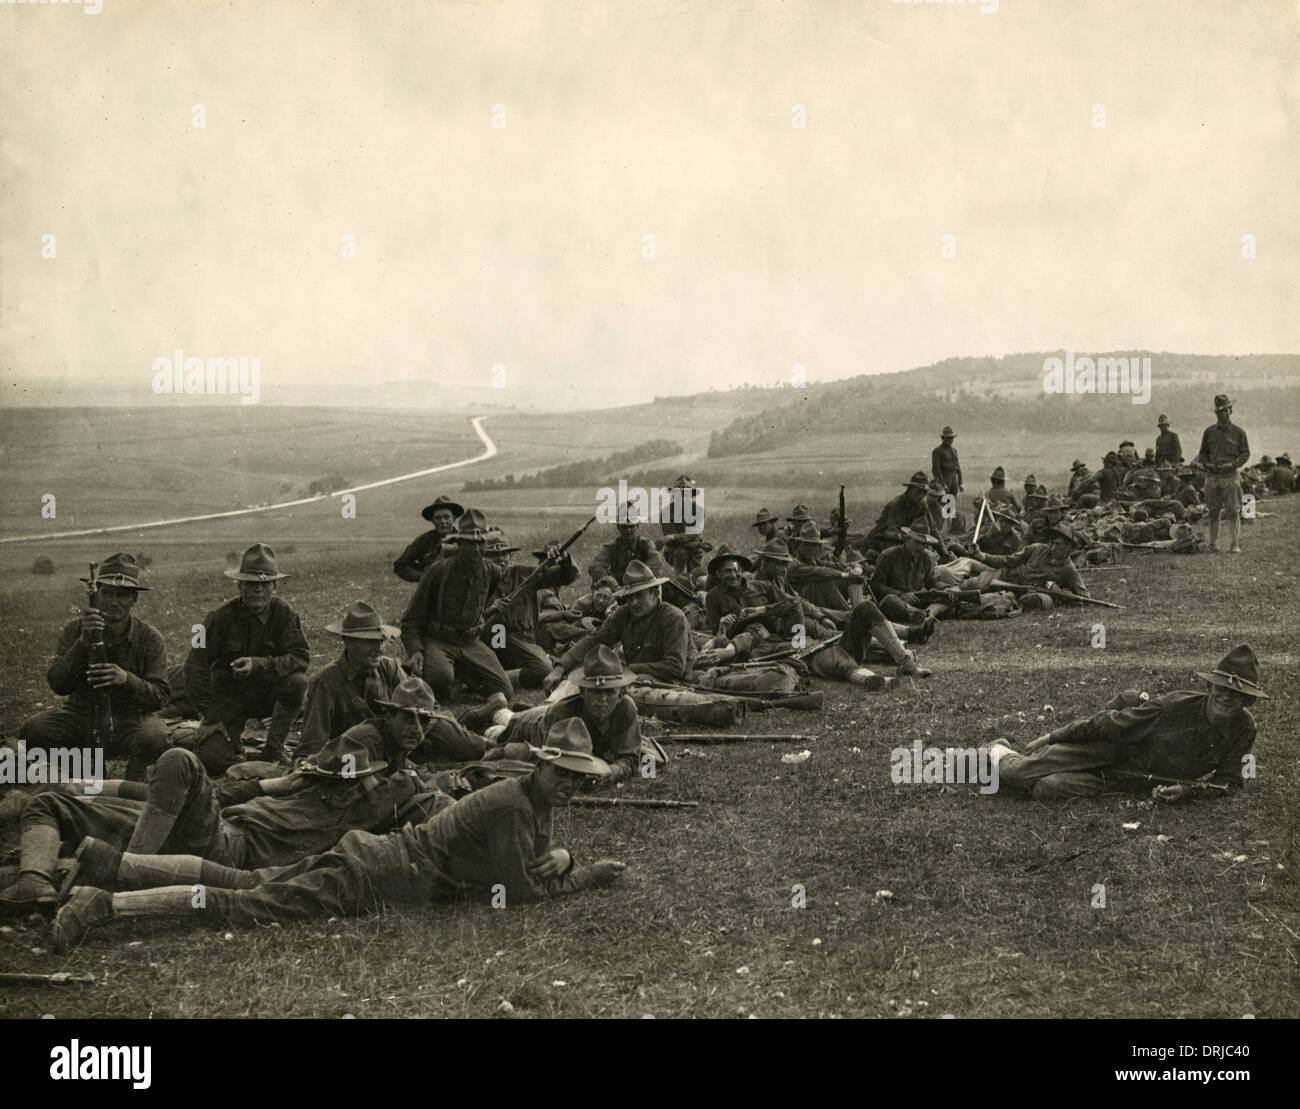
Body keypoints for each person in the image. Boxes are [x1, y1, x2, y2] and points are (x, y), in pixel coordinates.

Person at [53, 719, 625, 952]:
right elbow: (521, 892)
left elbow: (528, 859)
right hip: (378, 876)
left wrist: (564, 851)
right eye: (563, 775)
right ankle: (105, 904)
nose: (570, 787)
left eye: (578, 779)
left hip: (373, 858)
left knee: (247, 881)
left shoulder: (530, 797)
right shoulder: (513, 806)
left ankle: (114, 865)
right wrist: (585, 876)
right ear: (541, 766)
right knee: (244, 905)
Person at [0, 684, 449, 911]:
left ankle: (122, 873)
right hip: (215, 825)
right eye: (406, 717)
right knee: (49, 803)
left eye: (423, 721)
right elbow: (344, 755)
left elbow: (427, 813)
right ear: (385, 720)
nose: (416, 727)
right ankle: (33, 883)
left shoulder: (394, 793)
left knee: (177, 760)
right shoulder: (343, 758)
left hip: (230, 847)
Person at [984, 644, 1265, 801]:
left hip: (1128, 780)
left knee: (1048, 788)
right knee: (1015, 775)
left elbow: (1229, 782)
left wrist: (1186, 791)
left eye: (1237, 694)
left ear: (1247, 700)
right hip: (1103, 749)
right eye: (1221, 689)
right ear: (1210, 687)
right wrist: (1052, 737)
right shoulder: (1171, 706)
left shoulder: (1244, 728)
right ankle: (998, 750)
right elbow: (1107, 723)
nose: (1226, 698)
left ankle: (1036, 768)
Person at [16, 553, 169, 781]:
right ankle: (81, 776)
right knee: (34, 731)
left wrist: (127, 679)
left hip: (128, 718)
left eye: (123, 595)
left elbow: (161, 695)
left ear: (134, 599)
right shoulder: (75, 630)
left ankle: (134, 780)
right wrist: (82, 643)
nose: (114, 601)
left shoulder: (149, 638)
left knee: (156, 736)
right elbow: (58, 684)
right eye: (107, 593)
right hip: (81, 714)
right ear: (97, 595)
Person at [190, 544, 309, 765]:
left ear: (275, 586)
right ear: (240, 585)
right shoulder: (218, 617)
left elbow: (300, 657)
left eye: (265, 584)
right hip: (230, 700)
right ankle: (228, 742)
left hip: (269, 696)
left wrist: (259, 664)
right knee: (213, 759)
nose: (258, 590)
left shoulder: (285, 614)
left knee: (297, 682)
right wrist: (210, 717)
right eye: (252, 584)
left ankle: (274, 748)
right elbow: (196, 666)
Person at [401, 509, 513, 703]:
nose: (477, 549)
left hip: (470, 642)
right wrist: (416, 650)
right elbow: (412, 617)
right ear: (460, 544)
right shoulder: (439, 570)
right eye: (470, 543)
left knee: (504, 690)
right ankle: (441, 672)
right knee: (439, 678)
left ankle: (462, 673)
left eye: (481, 543)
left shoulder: (492, 571)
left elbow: (482, 607)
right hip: (439, 640)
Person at [490, 646, 643, 784]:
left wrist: (612, 771)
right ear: (583, 691)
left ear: (621, 693)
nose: (602, 700)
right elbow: (553, 763)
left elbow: (630, 759)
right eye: (596, 692)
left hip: (549, 715)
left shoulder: (626, 708)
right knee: (503, 732)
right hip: (536, 725)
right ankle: (495, 709)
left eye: (609, 692)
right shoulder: (561, 713)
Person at [543, 560, 692, 689]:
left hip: (671, 684)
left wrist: (624, 669)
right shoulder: (624, 613)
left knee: (608, 687)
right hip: (632, 676)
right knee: (582, 675)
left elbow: (675, 667)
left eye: (639, 596)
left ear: (655, 593)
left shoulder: (673, 618)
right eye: (629, 597)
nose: (633, 603)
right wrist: (560, 667)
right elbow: (594, 640)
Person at [297, 601, 407, 760]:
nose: (379, 648)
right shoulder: (326, 682)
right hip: (352, 762)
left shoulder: (389, 668)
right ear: (348, 641)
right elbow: (312, 744)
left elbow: (419, 708)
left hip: (394, 756)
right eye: (370, 642)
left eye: (381, 641)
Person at [482, 537, 578, 689]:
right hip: (497, 637)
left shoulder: (525, 574)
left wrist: (565, 559)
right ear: (485, 558)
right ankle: (495, 677)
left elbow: (566, 577)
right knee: (543, 668)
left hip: (526, 638)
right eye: (494, 555)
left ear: (510, 557)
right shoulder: (481, 581)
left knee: (544, 668)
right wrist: (491, 609)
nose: (500, 559)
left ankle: (500, 678)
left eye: (504, 555)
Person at [870, 521, 950, 630]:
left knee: (947, 596)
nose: (921, 547)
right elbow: (875, 585)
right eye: (918, 542)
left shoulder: (927, 558)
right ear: (907, 539)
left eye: (924, 544)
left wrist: (946, 588)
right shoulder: (888, 556)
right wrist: (900, 594)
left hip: (918, 599)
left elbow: (932, 582)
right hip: (896, 602)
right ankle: (922, 614)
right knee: (890, 600)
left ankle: (926, 614)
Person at [1196, 394, 1251, 553]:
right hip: (1212, 476)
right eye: (1219, 411)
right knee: (1213, 511)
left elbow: (1245, 454)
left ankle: (1234, 544)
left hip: (1230, 475)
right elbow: (1202, 454)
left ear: (1231, 410)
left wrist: (1233, 464)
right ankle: (1213, 544)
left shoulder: (1239, 432)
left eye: (1225, 410)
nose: (1222, 414)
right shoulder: (1209, 432)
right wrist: (1207, 464)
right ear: (1216, 413)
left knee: (1234, 510)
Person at [587, 503, 670, 583]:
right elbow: (595, 565)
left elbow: (656, 562)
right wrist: (608, 581)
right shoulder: (610, 547)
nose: (628, 530)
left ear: (637, 525)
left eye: (631, 526)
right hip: (618, 590)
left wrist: (638, 578)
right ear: (618, 527)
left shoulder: (646, 544)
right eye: (624, 527)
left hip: (642, 586)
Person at [392, 495, 463, 583]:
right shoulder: (424, 540)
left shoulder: (464, 540)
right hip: (432, 593)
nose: (443, 521)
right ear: (432, 520)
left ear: (454, 518)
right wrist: (423, 577)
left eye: (446, 517)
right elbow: (400, 565)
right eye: (438, 518)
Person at [865, 473, 931, 552]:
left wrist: (943, 552)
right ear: (910, 489)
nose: (921, 495)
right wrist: (913, 539)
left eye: (924, 492)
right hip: (883, 539)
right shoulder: (896, 504)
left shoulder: (922, 505)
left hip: (908, 540)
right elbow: (891, 531)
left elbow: (933, 530)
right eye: (919, 491)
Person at [930, 426, 962, 496]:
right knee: (944, 500)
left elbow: (957, 466)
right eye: (947, 438)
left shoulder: (954, 450)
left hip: (954, 478)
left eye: (951, 438)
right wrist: (942, 483)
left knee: (952, 501)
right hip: (945, 477)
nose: (950, 440)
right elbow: (936, 469)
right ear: (943, 438)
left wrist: (960, 482)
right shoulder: (938, 451)